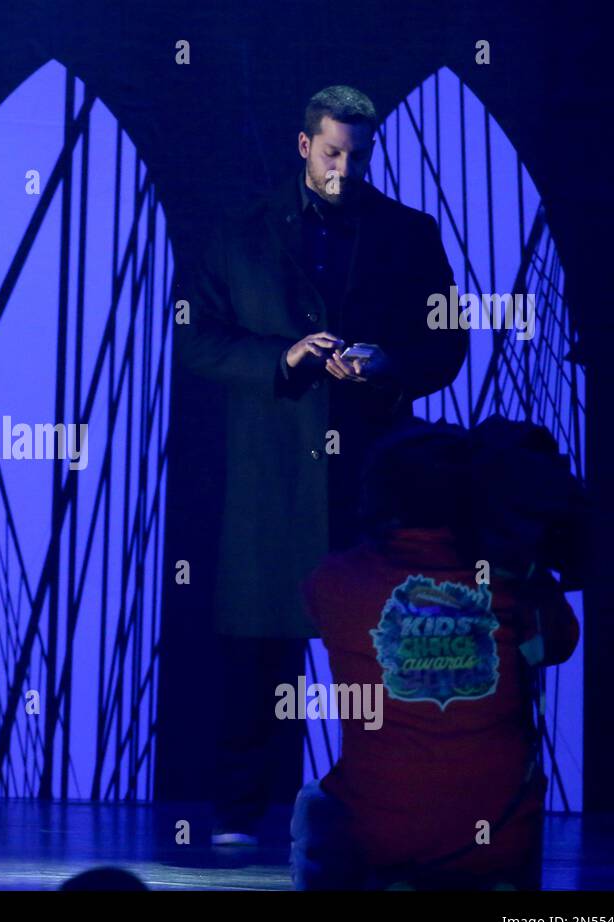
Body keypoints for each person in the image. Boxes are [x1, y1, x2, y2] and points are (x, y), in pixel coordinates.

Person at [178, 85, 467, 844]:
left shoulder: (408, 233)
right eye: (332, 153)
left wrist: (388, 361)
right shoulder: (239, 234)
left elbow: (448, 345)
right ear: (304, 146)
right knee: (253, 651)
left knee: (373, 654)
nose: (344, 169)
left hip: (369, 479)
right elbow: (196, 340)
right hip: (269, 476)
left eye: (357, 156)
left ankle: (384, 804)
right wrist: (286, 356)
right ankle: (239, 814)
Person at [292, 419, 582, 889]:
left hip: (380, 838)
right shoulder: (513, 580)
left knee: (314, 804)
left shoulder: (335, 581)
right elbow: (560, 644)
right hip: (498, 841)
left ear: (375, 497)